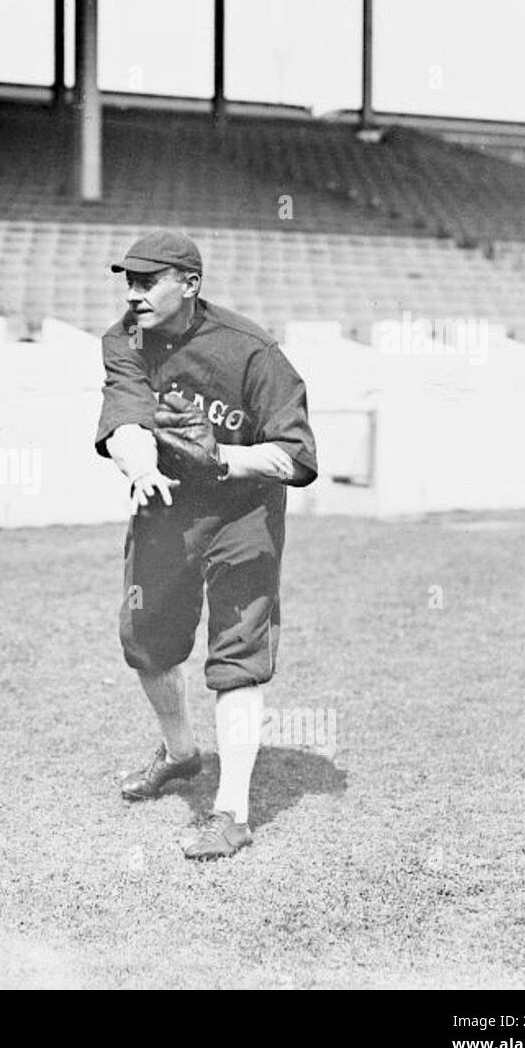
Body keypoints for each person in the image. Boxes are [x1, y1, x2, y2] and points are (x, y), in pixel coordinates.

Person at [94, 230, 318, 861]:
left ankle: (232, 813)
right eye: (128, 282)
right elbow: (126, 421)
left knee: (236, 656)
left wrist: (224, 458)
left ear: (189, 284)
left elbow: (297, 458)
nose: (132, 294)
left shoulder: (251, 350)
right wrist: (140, 468)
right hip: (165, 501)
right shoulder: (123, 339)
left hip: (242, 513)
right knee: (145, 640)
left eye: (147, 281)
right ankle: (181, 753)